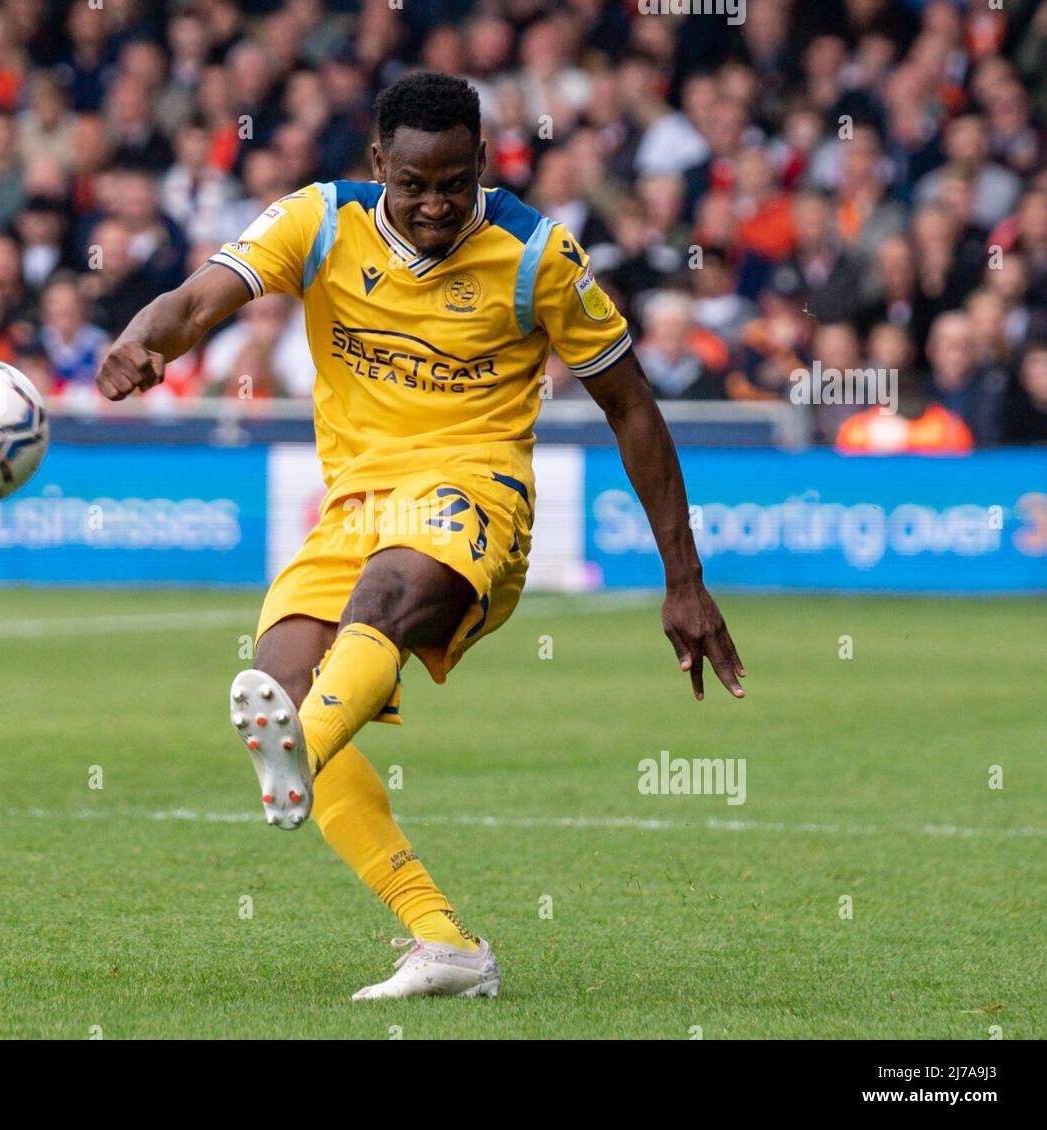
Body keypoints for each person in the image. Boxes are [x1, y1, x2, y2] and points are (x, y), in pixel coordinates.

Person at [94, 73, 745, 1001]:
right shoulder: (317, 222)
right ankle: (446, 944)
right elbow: (199, 300)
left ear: (483, 160)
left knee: (377, 612)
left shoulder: (537, 254)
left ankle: (304, 747)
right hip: (354, 504)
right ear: (378, 168)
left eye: (453, 181)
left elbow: (632, 408)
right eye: (413, 184)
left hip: (476, 493)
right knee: (278, 679)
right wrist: (142, 339)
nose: (435, 203)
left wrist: (685, 580)